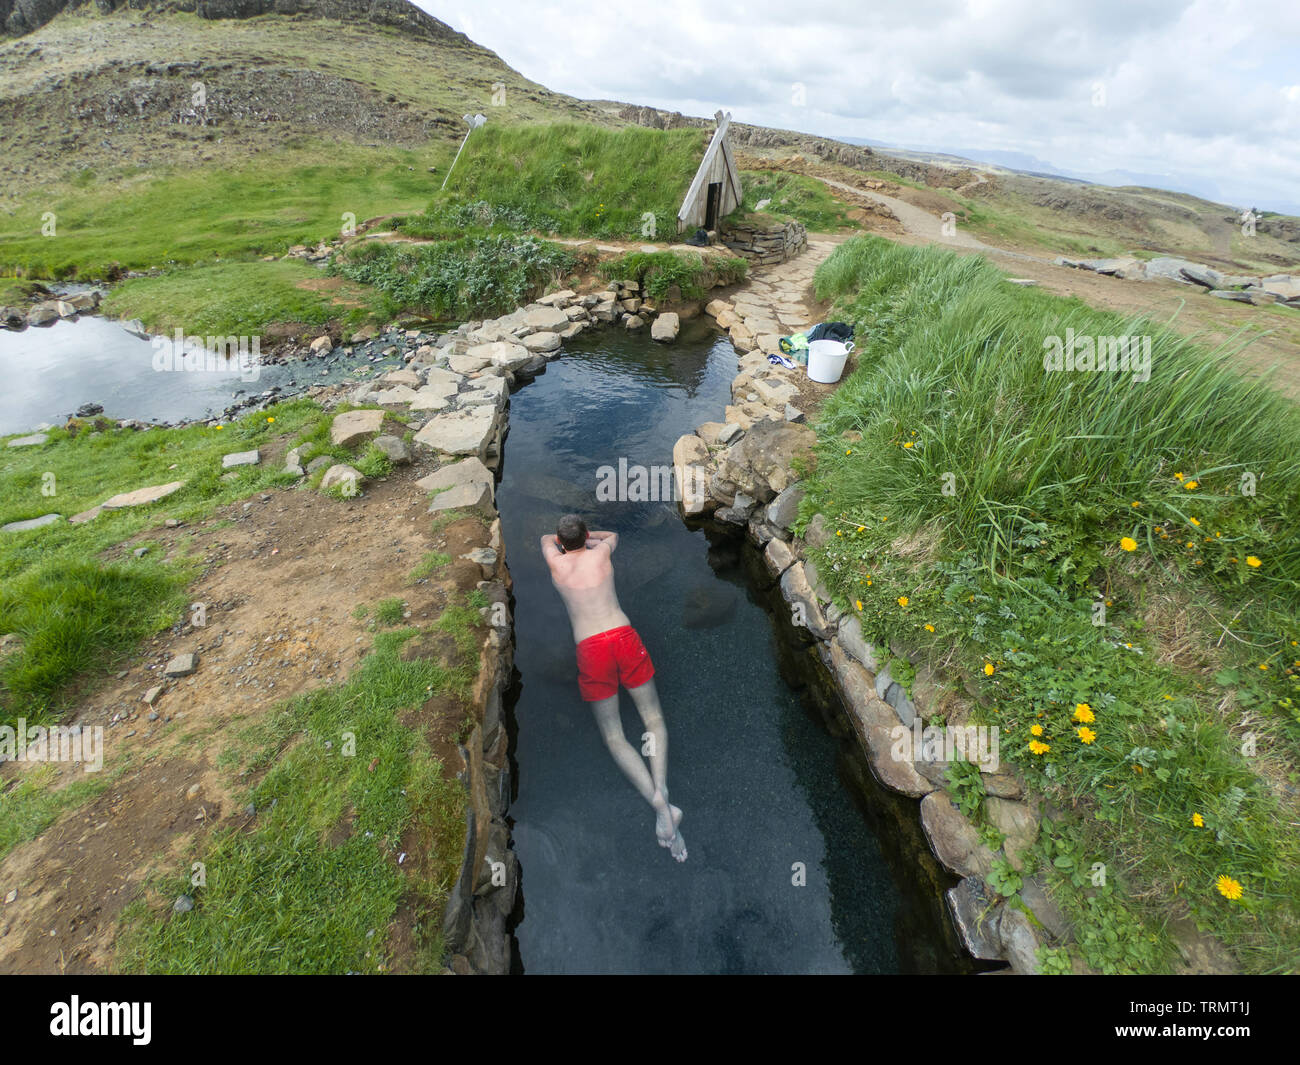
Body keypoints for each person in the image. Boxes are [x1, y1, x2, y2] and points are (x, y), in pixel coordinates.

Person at [541, 513, 686, 861]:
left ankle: (656, 803)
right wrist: (591, 538)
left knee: (614, 735)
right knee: (652, 719)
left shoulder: (555, 562)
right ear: (588, 535)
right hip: (622, 636)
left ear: (562, 543)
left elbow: (546, 539)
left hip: (590, 647)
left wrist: (567, 541)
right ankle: (663, 791)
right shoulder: (602, 552)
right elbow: (613, 534)